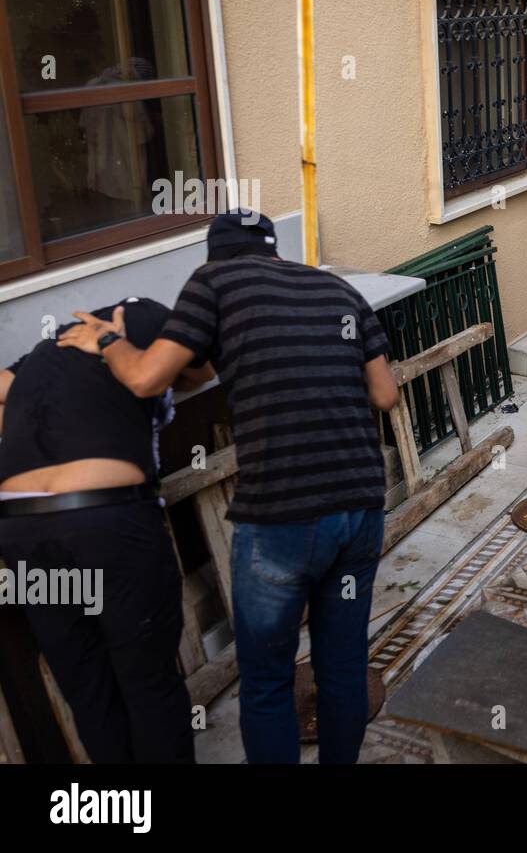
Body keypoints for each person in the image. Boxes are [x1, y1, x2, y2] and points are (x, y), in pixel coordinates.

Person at [57, 209, 401, 764]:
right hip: (360, 505)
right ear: (274, 252)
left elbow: (147, 376)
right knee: (343, 669)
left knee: (266, 683)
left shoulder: (214, 282)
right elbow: (385, 394)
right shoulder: (336, 288)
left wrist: (107, 341)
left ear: (217, 254)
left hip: (279, 521)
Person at [0, 297, 214, 763]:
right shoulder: (144, 314)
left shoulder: (44, 352)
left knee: (88, 687)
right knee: (148, 683)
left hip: (22, 530)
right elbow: (201, 372)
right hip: (105, 521)